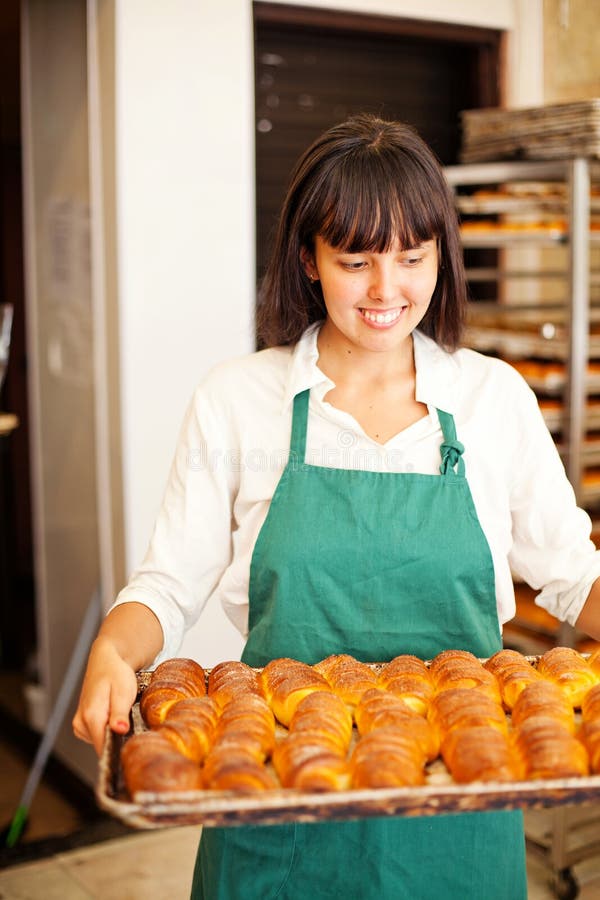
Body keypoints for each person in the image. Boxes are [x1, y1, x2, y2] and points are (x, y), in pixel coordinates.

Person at [73, 114, 600, 899]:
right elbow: (167, 583)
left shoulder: (492, 399)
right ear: (308, 260)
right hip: (277, 807)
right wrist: (115, 651)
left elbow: (574, 575)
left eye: (413, 258)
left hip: (459, 809)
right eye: (356, 260)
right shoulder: (238, 400)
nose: (388, 291)